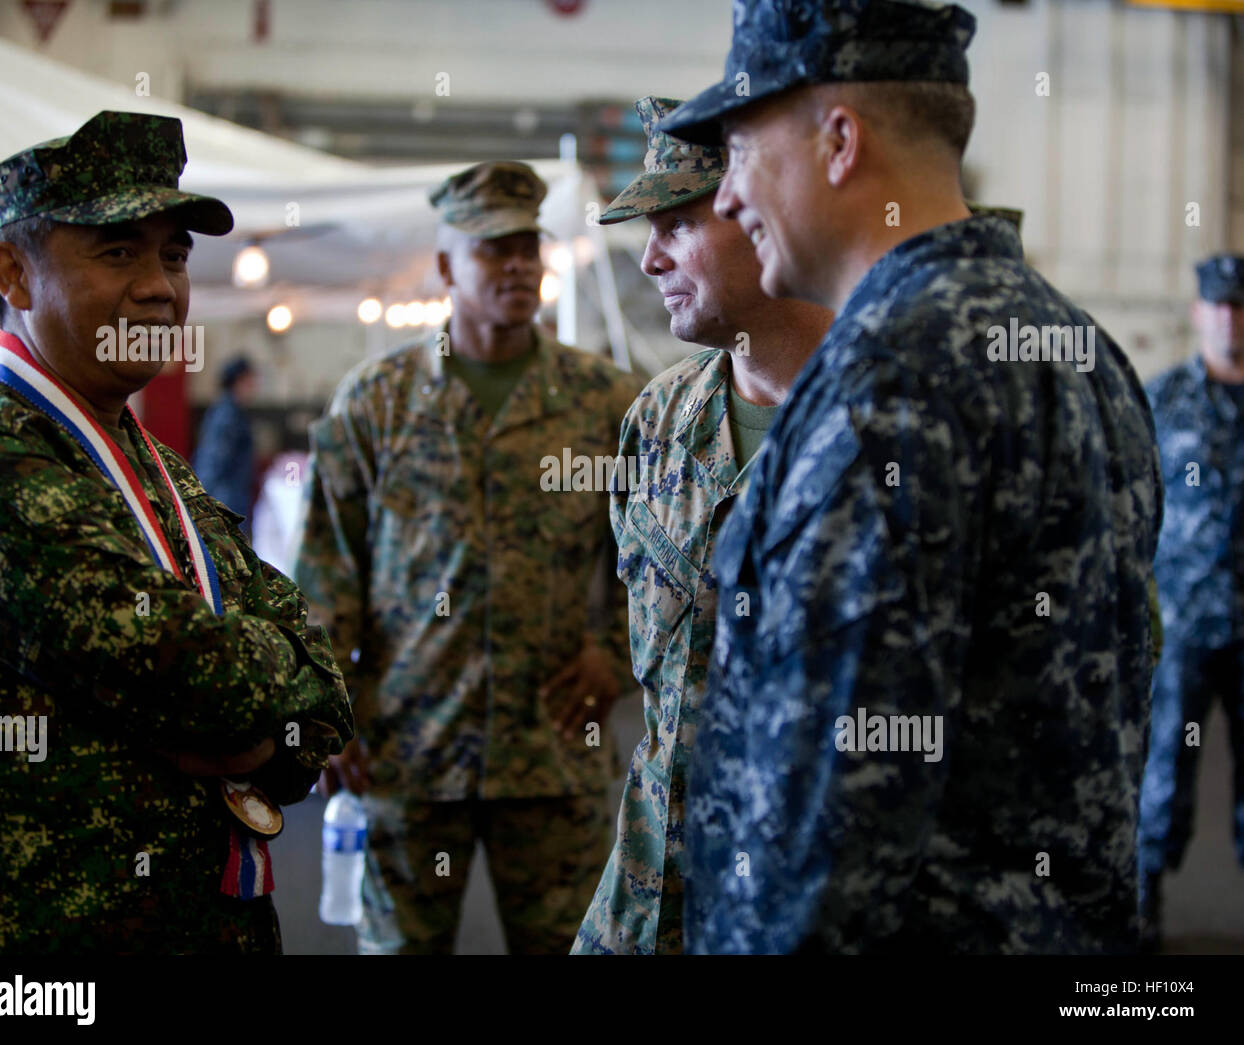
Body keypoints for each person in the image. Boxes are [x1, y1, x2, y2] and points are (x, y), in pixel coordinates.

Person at [661, 0, 1163, 953]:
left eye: (738, 151)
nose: (725, 199)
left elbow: (822, 837)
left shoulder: (882, 387)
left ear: (839, 140)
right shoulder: (1086, 353)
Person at [0, 110, 352, 954]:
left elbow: (320, 681)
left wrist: (267, 724)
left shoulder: (154, 463)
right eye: (117, 250)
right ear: (14, 273)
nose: (161, 286)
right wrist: (254, 703)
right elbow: (198, 675)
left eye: (173, 255)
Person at [294, 160, 641, 954]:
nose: (516, 265)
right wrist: (323, 710)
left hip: (554, 746)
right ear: (448, 266)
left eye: (528, 246)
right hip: (409, 751)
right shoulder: (377, 401)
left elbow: (658, 551)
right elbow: (322, 570)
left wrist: (614, 651)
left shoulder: (606, 401)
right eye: (492, 250)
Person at [572, 97, 832, 954]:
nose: (649, 260)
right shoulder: (658, 420)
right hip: (653, 895)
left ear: (763, 219)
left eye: (678, 226)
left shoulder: (890, 425)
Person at [1139, 253, 1244, 951]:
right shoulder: (1163, 396)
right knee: (1165, 774)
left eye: (1240, 306)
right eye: (1219, 305)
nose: (1230, 318)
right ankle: (1141, 903)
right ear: (1197, 312)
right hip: (1180, 623)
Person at [192, 356, 259, 532]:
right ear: (238, 382)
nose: (253, 387)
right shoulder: (227, 416)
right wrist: (203, 504)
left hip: (231, 497)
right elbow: (213, 461)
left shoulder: (232, 412)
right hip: (224, 499)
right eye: (249, 381)